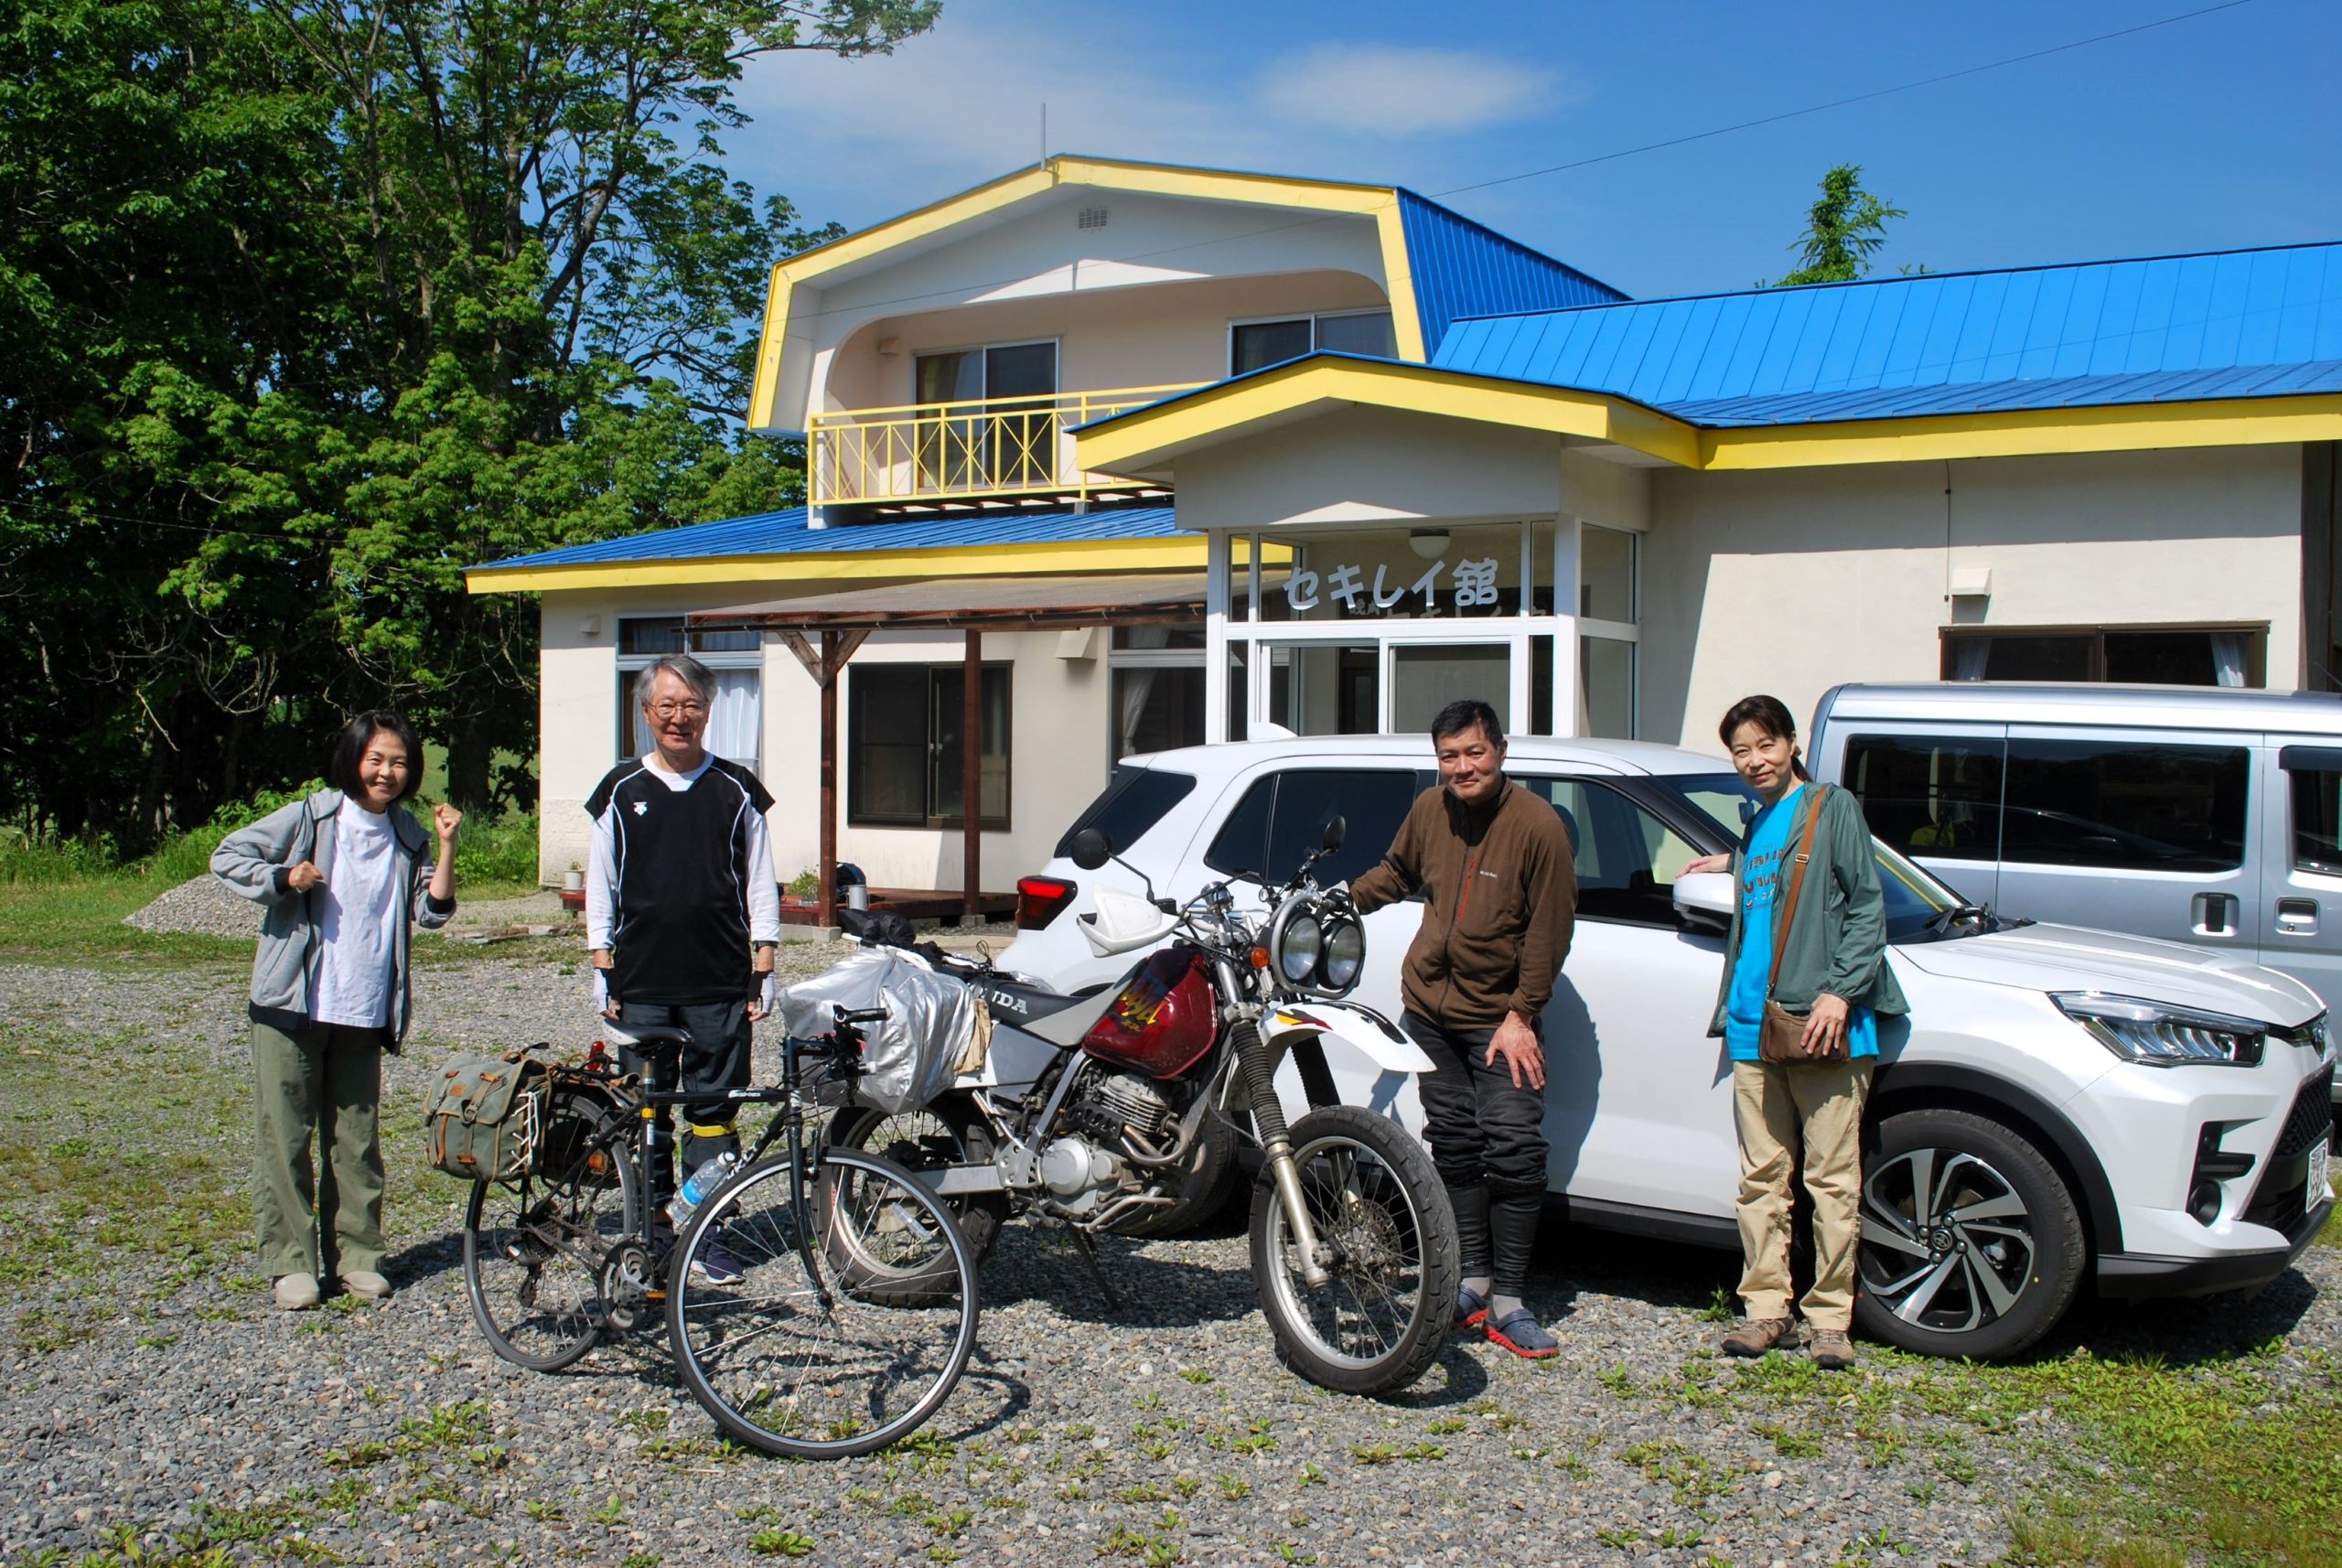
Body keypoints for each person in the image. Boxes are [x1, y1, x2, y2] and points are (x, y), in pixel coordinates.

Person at [1349, 699, 1577, 1359]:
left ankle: (1510, 1298)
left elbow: (1549, 930)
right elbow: (1397, 871)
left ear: (1500, 751)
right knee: (1453, 1142)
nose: (1462, 767)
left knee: (1513, 1145)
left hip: (1498, 1018)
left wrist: (1521, 1014)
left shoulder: (1538, 825)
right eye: (1449, 756)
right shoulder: (1430, 808)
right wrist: (1343, 900)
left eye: (1474, 752)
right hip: (1429, 1010)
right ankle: (1470, 1281)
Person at [212, 710, 460, 1312]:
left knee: (357, 1142)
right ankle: (291, 1263)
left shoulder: (408, 834)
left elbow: (432, 911)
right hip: (292, 1005)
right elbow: (228, 856)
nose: (386, 771)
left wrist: (448, 846)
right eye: (375, 758)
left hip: (364, 1005)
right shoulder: (312, 815)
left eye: (398, 761)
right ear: (353, 759)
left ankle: (359, 1257)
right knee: (288, 1137)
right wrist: (283, 875)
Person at [1693, 693, 1907, 1370]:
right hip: (1754, 1028)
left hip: (1817, 1025)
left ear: (1790, 744)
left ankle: (1831, 1321)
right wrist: (1726, 861)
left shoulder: (1830, 807)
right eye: (1740, 750)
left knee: (1832, 1181)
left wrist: (1840, 993)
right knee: (1761, 1180)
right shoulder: (1756, 828)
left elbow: (1867, 906)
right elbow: (1775, 889)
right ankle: (1765, 1312)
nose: (1754, 760)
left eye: (1765, 745)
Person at [586, 652, 780, 1285]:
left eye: (691, 705)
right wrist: (601, 960)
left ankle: (708, 1232)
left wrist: (765, 961)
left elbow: (758, 880)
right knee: (646, 1112)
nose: (679, 717)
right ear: (646, 714)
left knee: (714, 1112)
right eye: (666, 706)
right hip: (642, 978)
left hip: (719, 978)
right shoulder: (619, 790)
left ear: (709, 711)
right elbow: (602, 882)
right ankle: (653, 1236)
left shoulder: (736, 788)